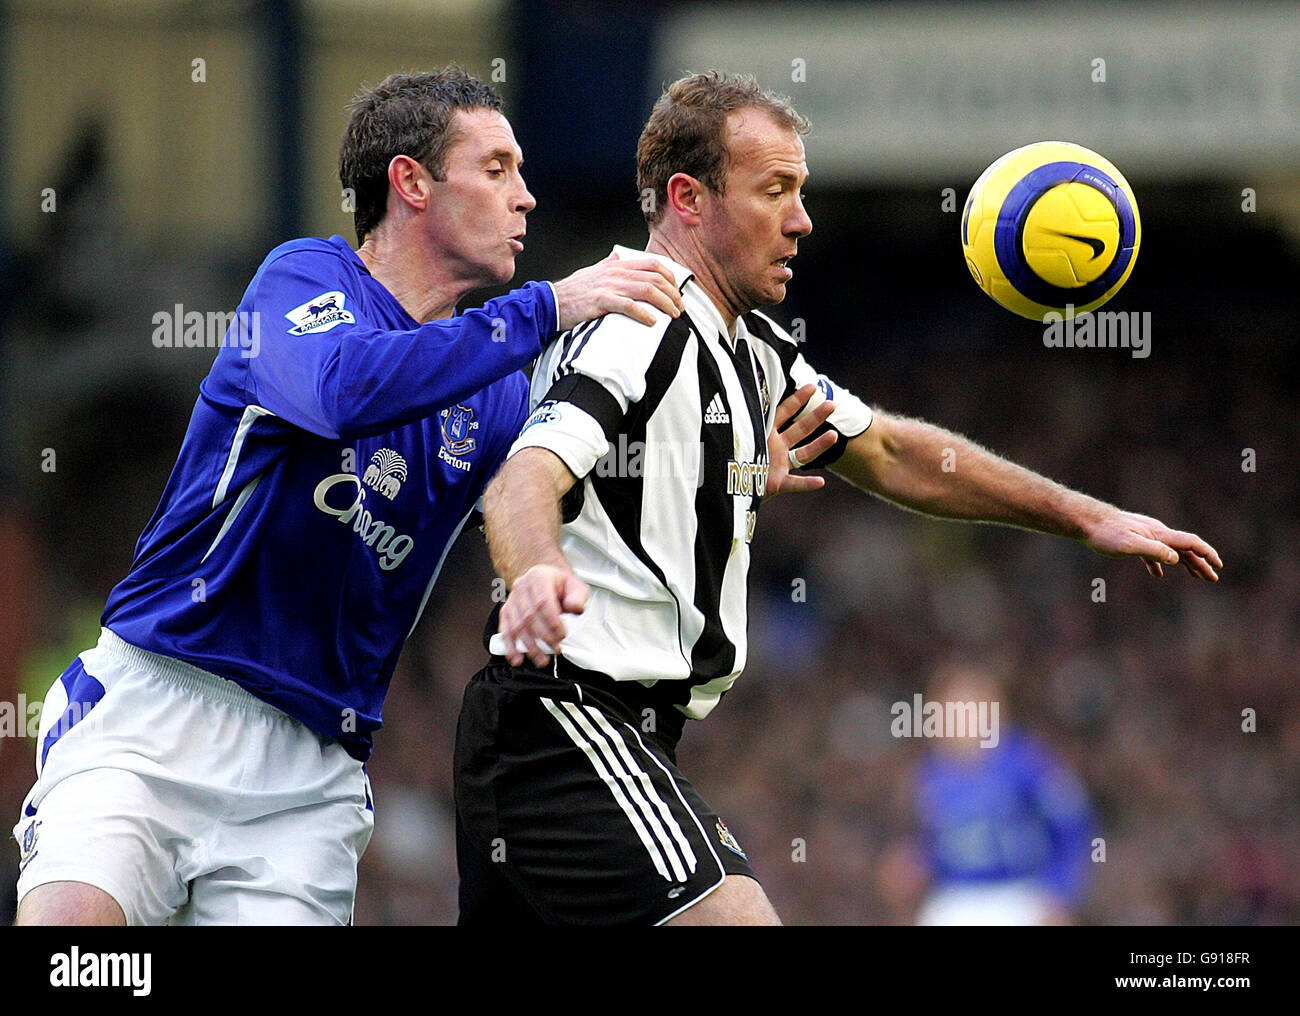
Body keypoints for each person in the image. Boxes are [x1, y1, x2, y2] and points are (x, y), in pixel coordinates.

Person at [453, 71, 1222, 926]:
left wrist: (1090, 516)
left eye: (803, 192)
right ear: (688, 199)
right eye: (774, 190)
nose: (801, 220)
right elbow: (524, 475)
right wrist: (533, 574)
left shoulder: (757, 350)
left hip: (594, 734)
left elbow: (893, 450)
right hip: (570, 721)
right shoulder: (636, 323)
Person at [11, 66, 684, 926]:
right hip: (157, 710)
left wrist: (717, 462)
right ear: (410, 182)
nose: (526, 198)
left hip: (307, 782)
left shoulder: (499, 395)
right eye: (496, 168)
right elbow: (340, 390)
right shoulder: (300, 282)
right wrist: (546, 307)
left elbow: (549, 485)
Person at [911, 663, 1096, 926]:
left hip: (1020, 896)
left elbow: (1074, 826)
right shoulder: (932, 770)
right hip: (955, 898)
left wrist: (1060, 893)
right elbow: (941, 841)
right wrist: (915, 861)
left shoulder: (1029, 762)